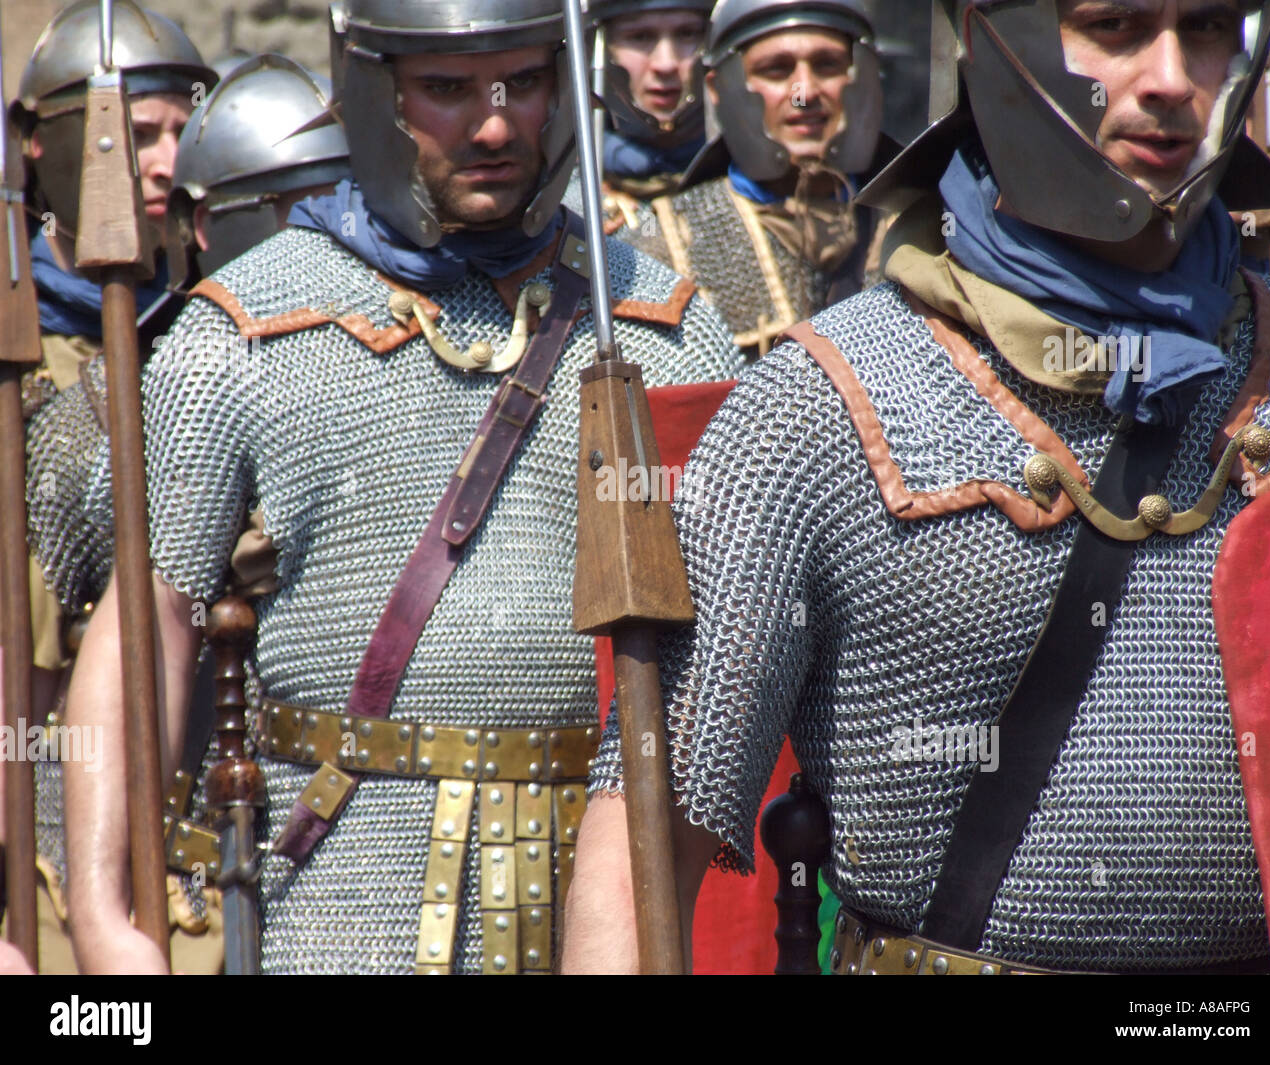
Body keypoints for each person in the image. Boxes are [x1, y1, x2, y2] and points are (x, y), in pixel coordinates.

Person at [564, 0, 1270, 974]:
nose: (1171, 77)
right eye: (1114, 25)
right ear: (1000, 35)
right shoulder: (815, 409)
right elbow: (642, 853)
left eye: (1204, 26)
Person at [64, 0, 741, 975]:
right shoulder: (247, 332)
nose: (497, 124)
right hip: (349, 896)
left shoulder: (662, 329)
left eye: (523, 83)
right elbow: (150, 618)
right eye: (449, 89)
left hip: (614, 892)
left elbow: (729, 660)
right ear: (376, 92)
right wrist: (101, 912)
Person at [0, 0, 216, 974]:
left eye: (183, 131)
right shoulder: (18, 359)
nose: (166, 163)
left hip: (228, 802)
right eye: (137, 136)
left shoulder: (225, 328)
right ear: (44, 145)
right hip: (46, 810)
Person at [622, 0, 892, 357]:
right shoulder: (662, 246)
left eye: (827, 65)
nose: (805, 93)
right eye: (776, 70)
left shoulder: (921, 225)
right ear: (720, 89)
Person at [568, 0, 714, 234]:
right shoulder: (560, 211)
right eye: (640, 36)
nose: (665, 64)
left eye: (687, 33)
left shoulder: (766, 184)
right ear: (599, 48)